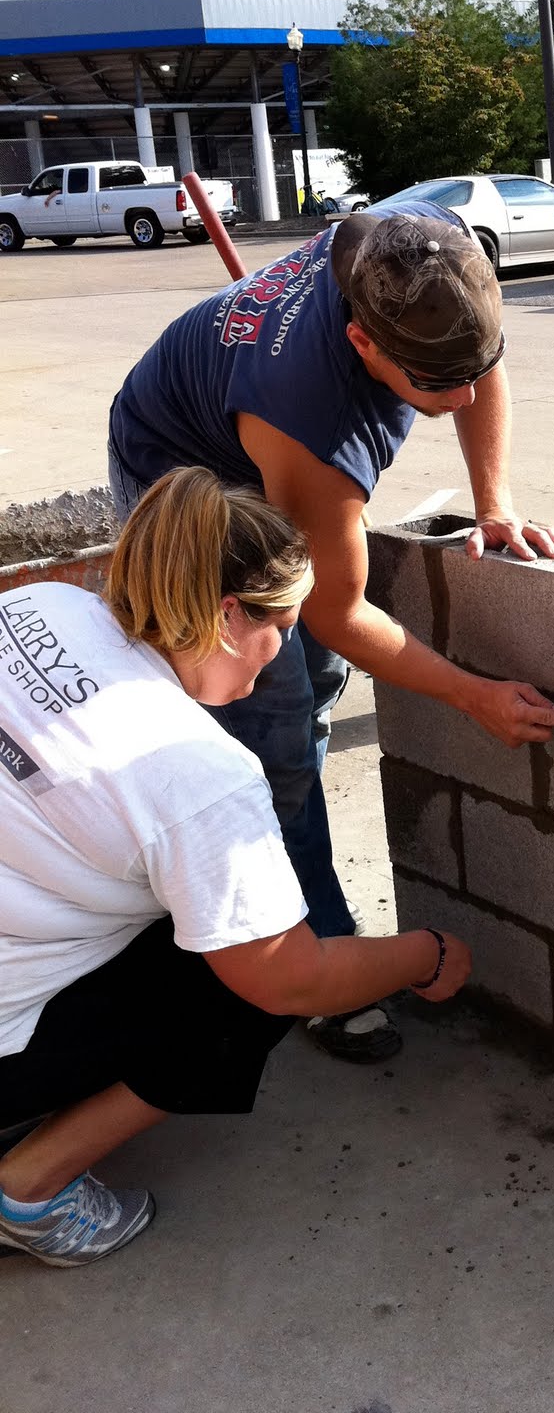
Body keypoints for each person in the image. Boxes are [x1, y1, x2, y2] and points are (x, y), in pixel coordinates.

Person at [108, 207, 554, 1064]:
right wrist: (471, 695)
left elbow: (480, 366)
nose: (461, 400)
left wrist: (495, 503)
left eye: (470, 371)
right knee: (270, 729)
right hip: (186, 480)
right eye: (435, 388)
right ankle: (303, 953)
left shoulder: (431, 248)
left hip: (253, 435)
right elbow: (334, 609)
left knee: (315, 686)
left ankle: (280, 865)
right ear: (365, 347)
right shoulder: (312, 422)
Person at [0, 467, 473, 1268]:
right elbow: (293, 981)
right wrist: (422, 954)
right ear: (226, 616)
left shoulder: (36, 608)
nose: (282, 650)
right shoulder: (196, 773)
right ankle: (28, 1192)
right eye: (282, 626)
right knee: (246, 985)